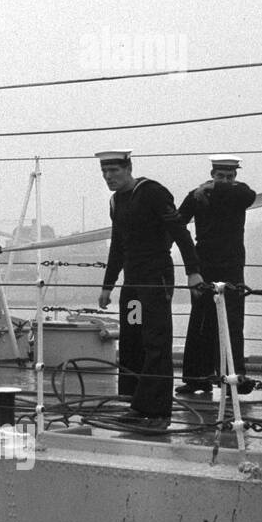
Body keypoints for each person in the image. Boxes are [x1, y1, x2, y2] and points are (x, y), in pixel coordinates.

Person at [95, 150, 204, 427]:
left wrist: (193, 272)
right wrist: (108, 285)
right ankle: (134, 401)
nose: (109, 178)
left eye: (114, 172)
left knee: (156, 341)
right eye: (105, 173)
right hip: (132, 283)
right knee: (133, 338)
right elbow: (118, 245)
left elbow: (180, 232)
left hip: (156, 279)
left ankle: (156, 409)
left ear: (128, 167)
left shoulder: (153, 192)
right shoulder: (115, 201)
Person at [177, 156, 258, 395]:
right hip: (205, 264)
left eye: (230, 177)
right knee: (201, 320)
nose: (225, 180)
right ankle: (197, 377)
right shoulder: (197, 196)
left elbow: (248, 196)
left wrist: (211, 187)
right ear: (213, 173)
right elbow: (179, 222)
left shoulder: (239, 193)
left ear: (235, 177)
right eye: (220, 176)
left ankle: (234, 375)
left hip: (232, 264)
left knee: (233, 321)